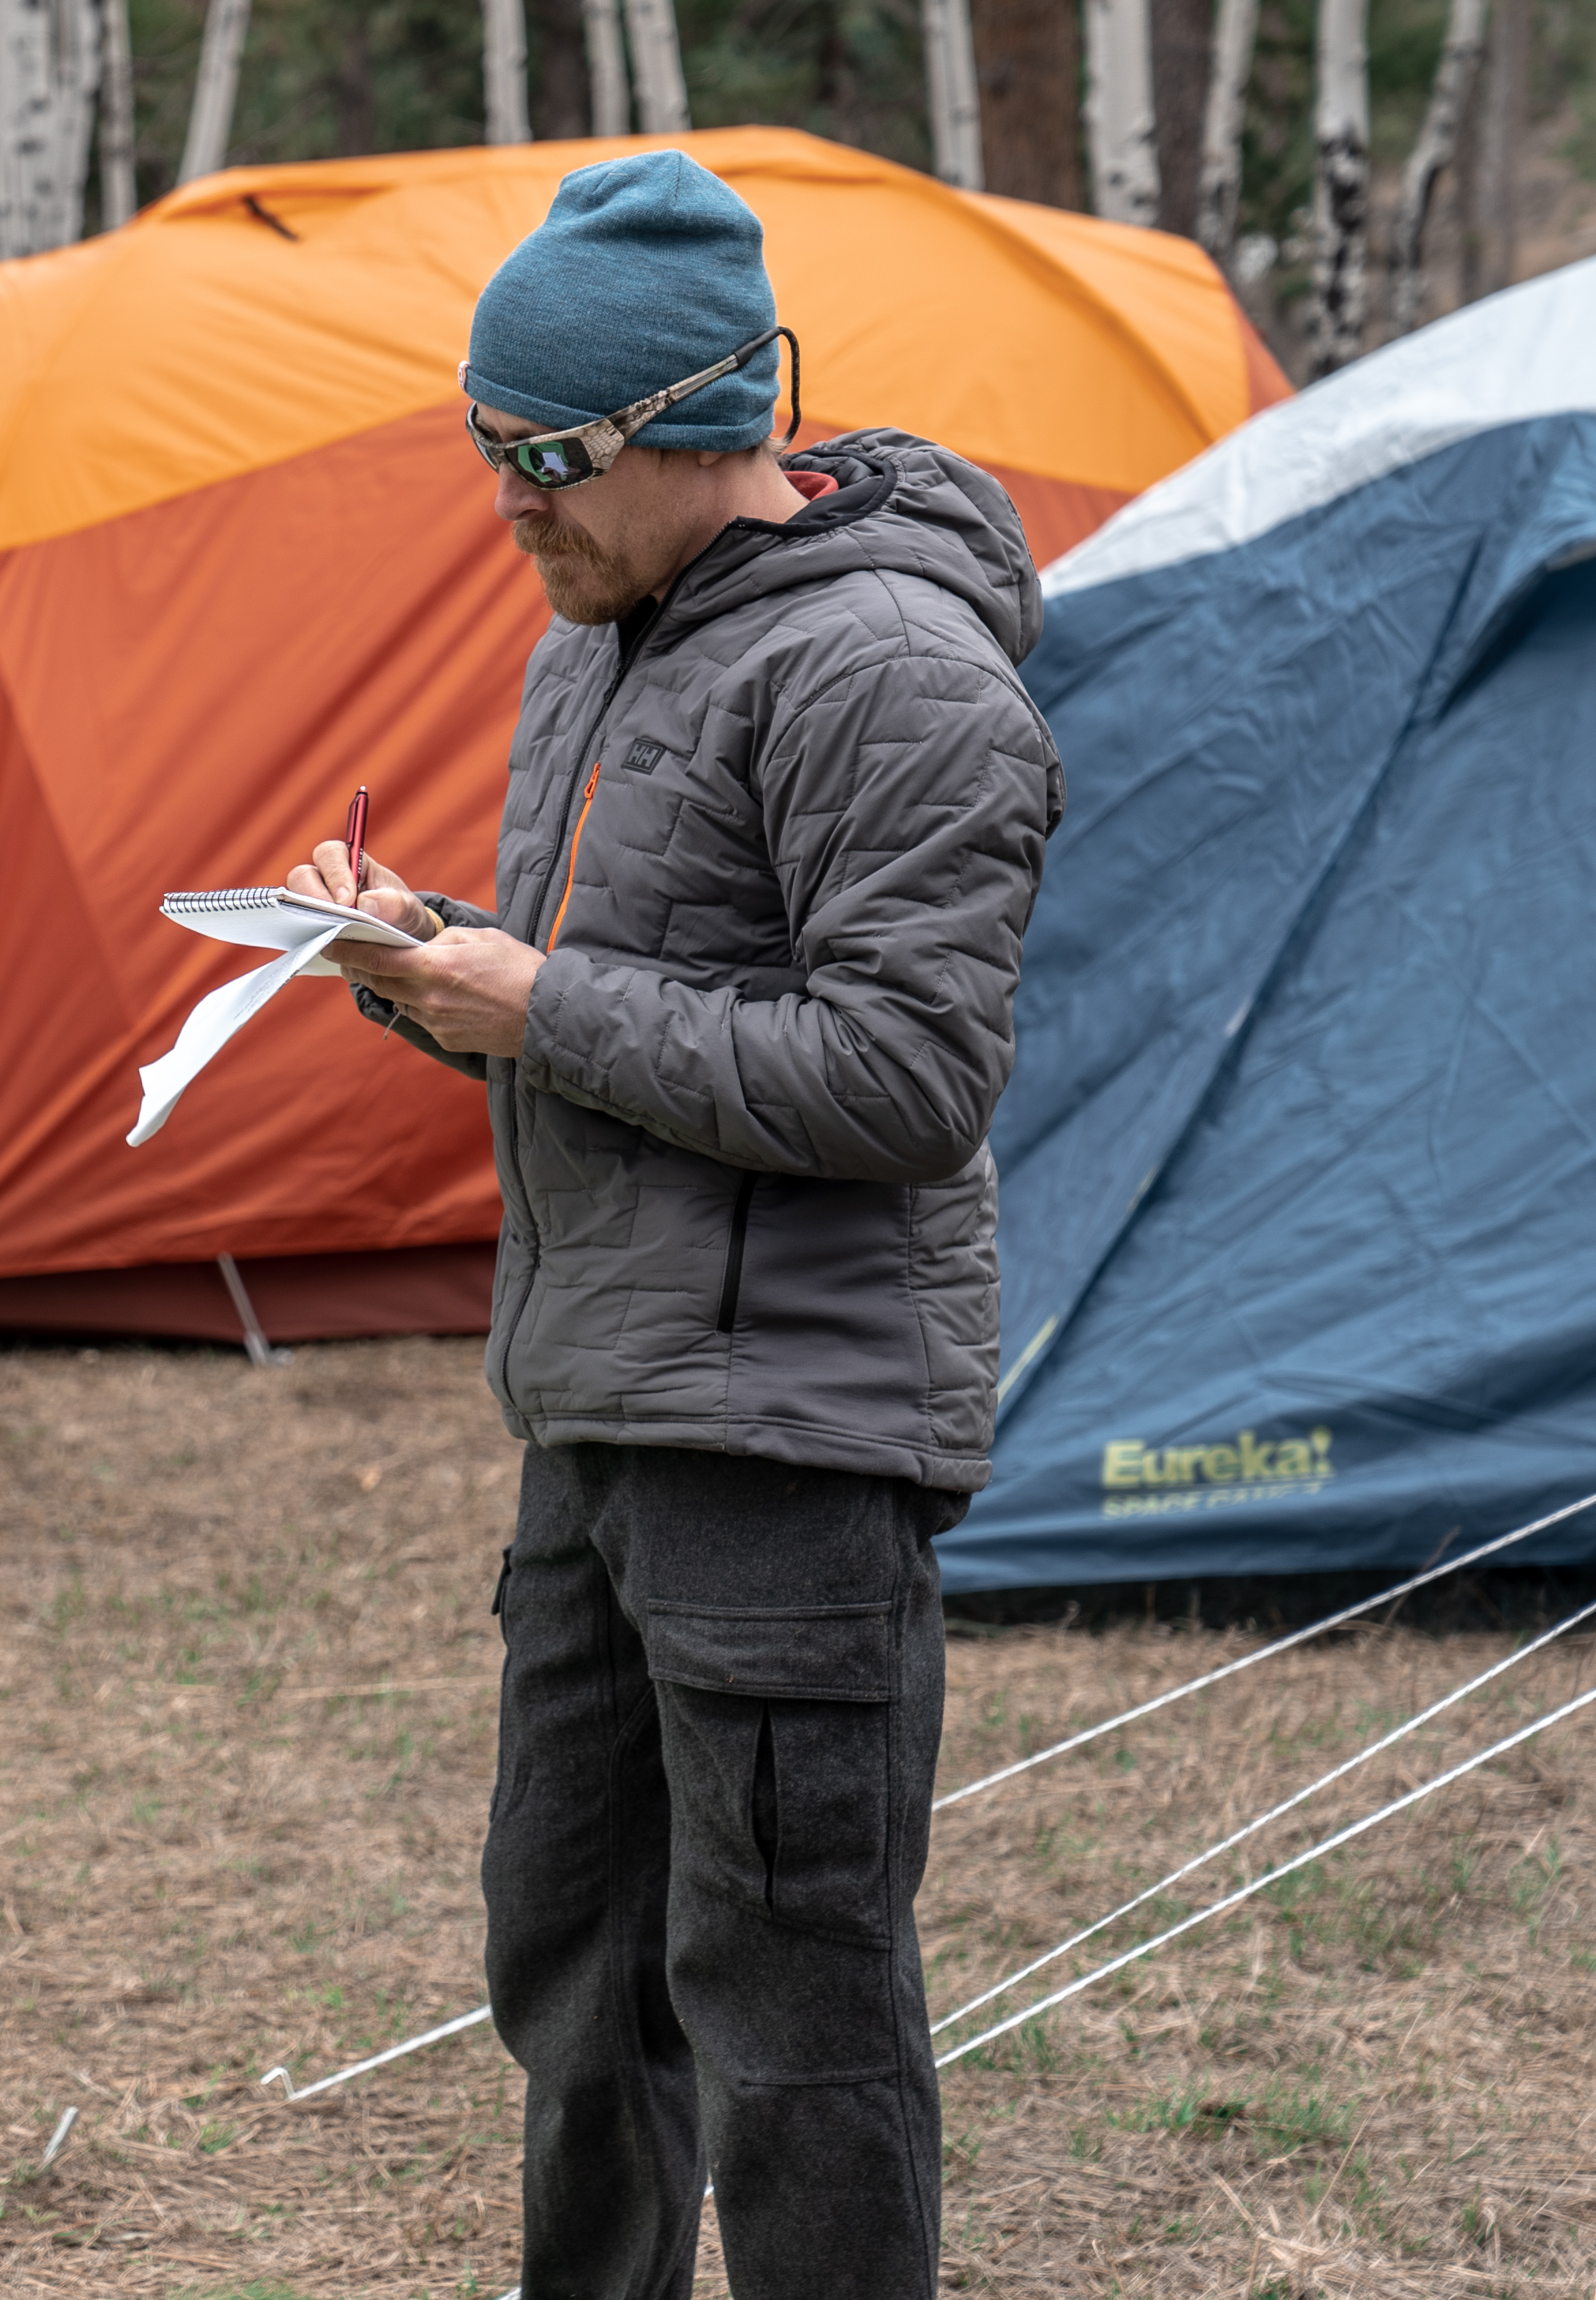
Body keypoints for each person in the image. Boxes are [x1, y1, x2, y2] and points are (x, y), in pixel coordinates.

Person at [293, 152, 1060, 2300]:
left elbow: (907, 1080)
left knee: (792, 2007)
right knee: (575, 1974)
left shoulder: (895, 672)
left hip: (796, 1445)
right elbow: (616, 1015)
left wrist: (533, 999)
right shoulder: (604, 643)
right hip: (603, 1411)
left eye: (546, 460)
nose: (508, 505)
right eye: (487, 449)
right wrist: (440, 965)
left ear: (709, 422)